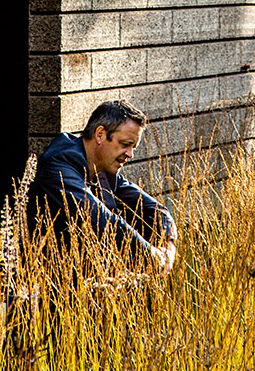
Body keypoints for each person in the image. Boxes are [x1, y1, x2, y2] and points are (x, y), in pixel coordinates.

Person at [26, 100, 177, 276]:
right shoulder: (59, 166)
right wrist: (153, 256)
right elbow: (101, 219)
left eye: (133, 147)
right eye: (125, 144)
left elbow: (156, 209)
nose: (130, 154)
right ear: (100, 135)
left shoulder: (102, 167)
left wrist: (169, 245)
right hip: (44, 286)